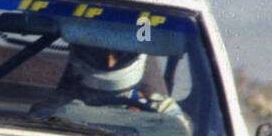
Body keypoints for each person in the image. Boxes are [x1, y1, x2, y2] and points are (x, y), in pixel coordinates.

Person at [35, 42, 185, 118]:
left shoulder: (162, 108)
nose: (109, 60)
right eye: (99, 50)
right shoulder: (58, 105)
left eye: (118, 51)